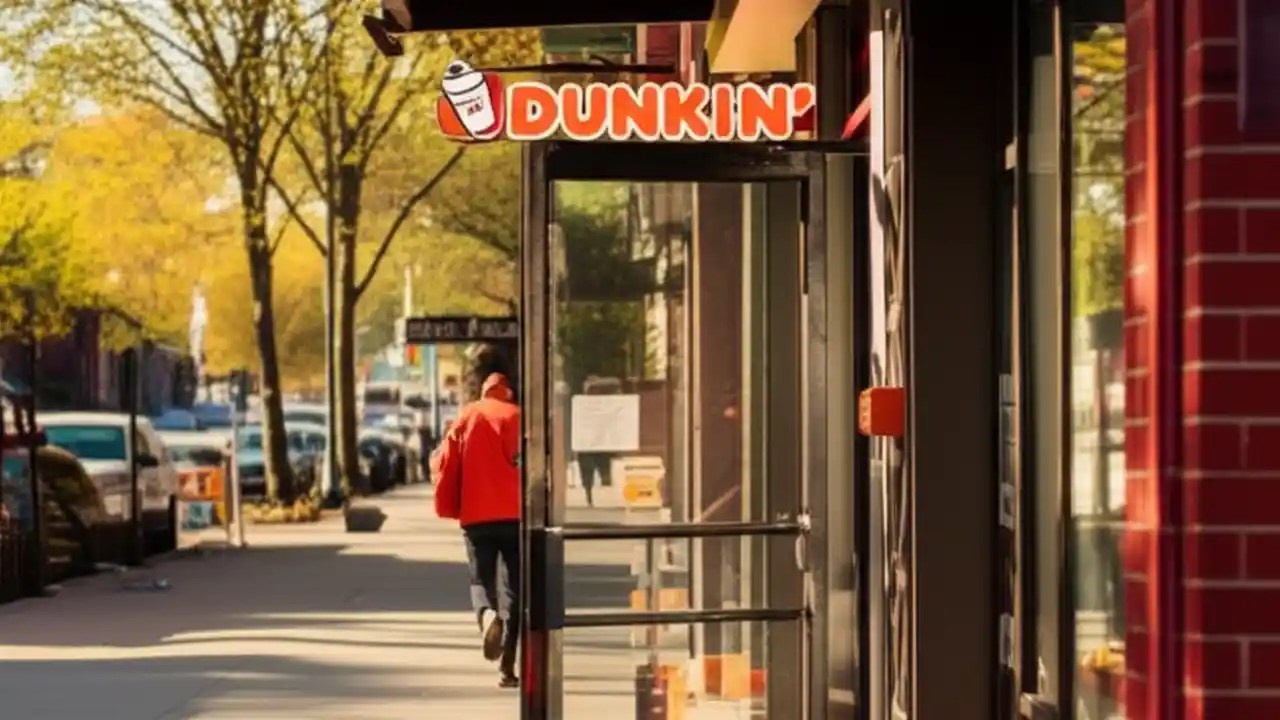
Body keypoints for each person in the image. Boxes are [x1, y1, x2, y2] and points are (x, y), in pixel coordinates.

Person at [431, 372, 521, 688]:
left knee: (480, 579)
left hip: (477, 515)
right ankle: (507, 668)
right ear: (508, 392)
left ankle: (486, 615)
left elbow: (447, 464)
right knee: (514, 591)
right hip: (515, 516)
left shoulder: (468, 416)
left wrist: (450, 505)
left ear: (484, 391)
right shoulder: (519, 417)